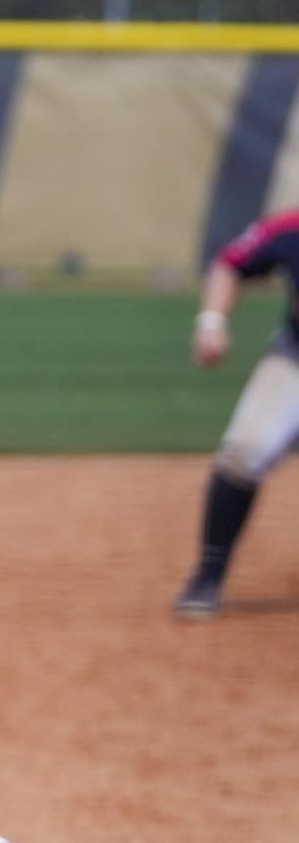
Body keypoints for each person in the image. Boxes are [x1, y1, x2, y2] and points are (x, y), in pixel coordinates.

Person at [174, 209, 299, 619]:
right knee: (244, 449)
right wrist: (211, 323)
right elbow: (231, 263)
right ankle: (208, 576)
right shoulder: (291, 227)